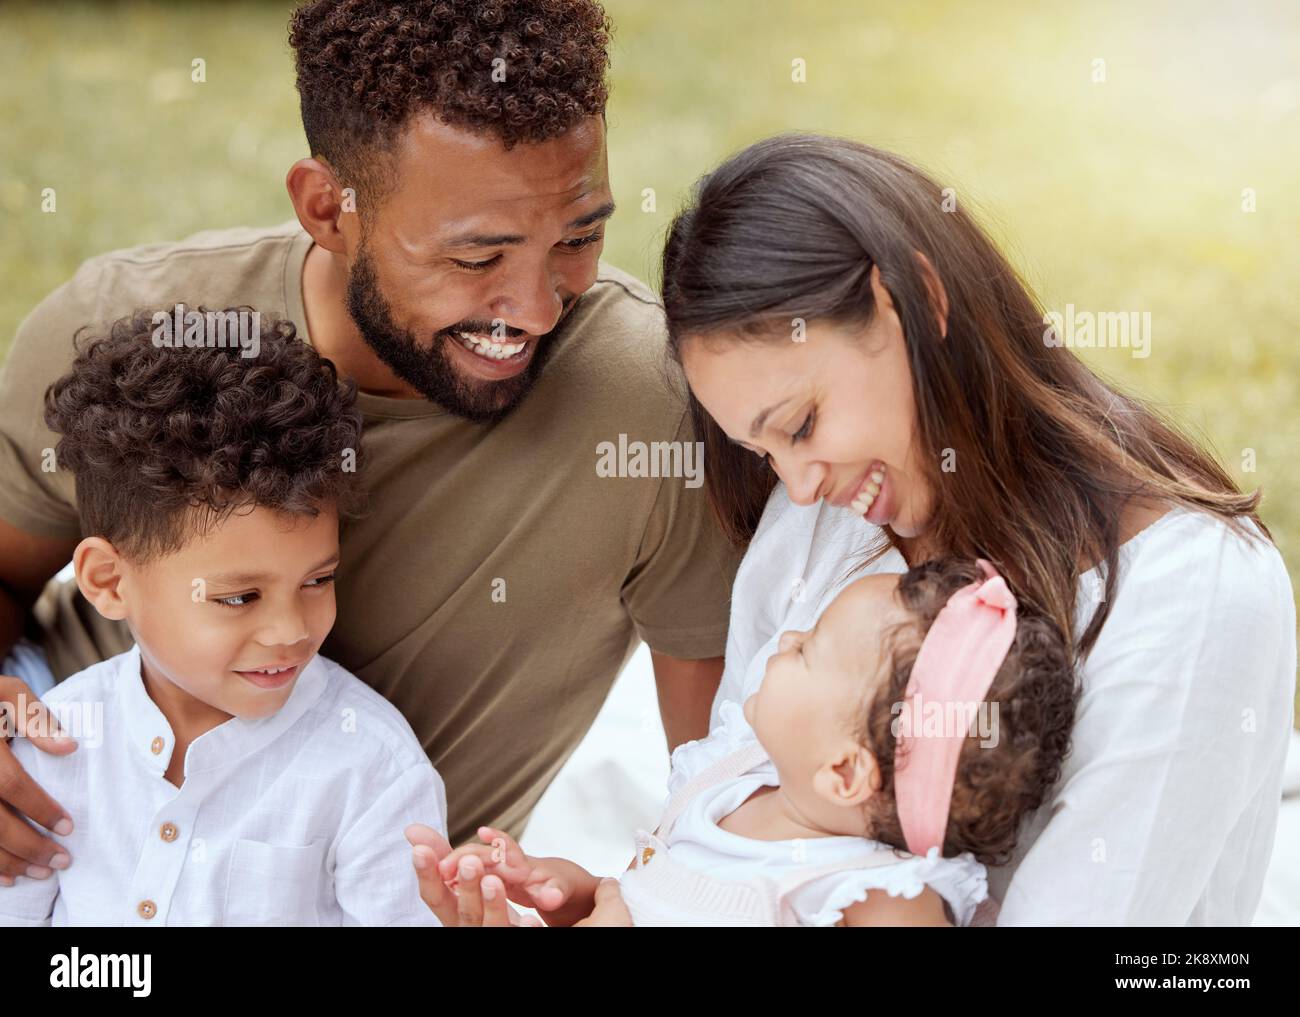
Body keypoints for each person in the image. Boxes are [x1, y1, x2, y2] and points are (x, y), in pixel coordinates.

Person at [0, 0, 742, 904]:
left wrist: (631, 903)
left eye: (580, 236)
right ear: (327, 207)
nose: (540, 307)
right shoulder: (125, 325)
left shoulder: (654, 410)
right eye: (477, 257)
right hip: (62, 845)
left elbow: (720, 786)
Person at [571, 132, 1294, 925]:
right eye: (761, 449)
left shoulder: (1193, 597)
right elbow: (755, 817)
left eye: (803, 422)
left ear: (914, 301)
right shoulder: (820, 526)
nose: (799, 487)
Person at [0, 308, 446, 925]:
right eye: (238, 598)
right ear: (107, 581)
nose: (291, 632)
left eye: (318, 580)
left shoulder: (371, 769)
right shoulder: (50, 750)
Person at [428, 558, 1081, 926]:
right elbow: (655, 904)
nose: (786, 640)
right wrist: (578, 893)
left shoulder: (875, 893)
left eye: (809, 647)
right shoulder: (727, 784)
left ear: (845, 771)